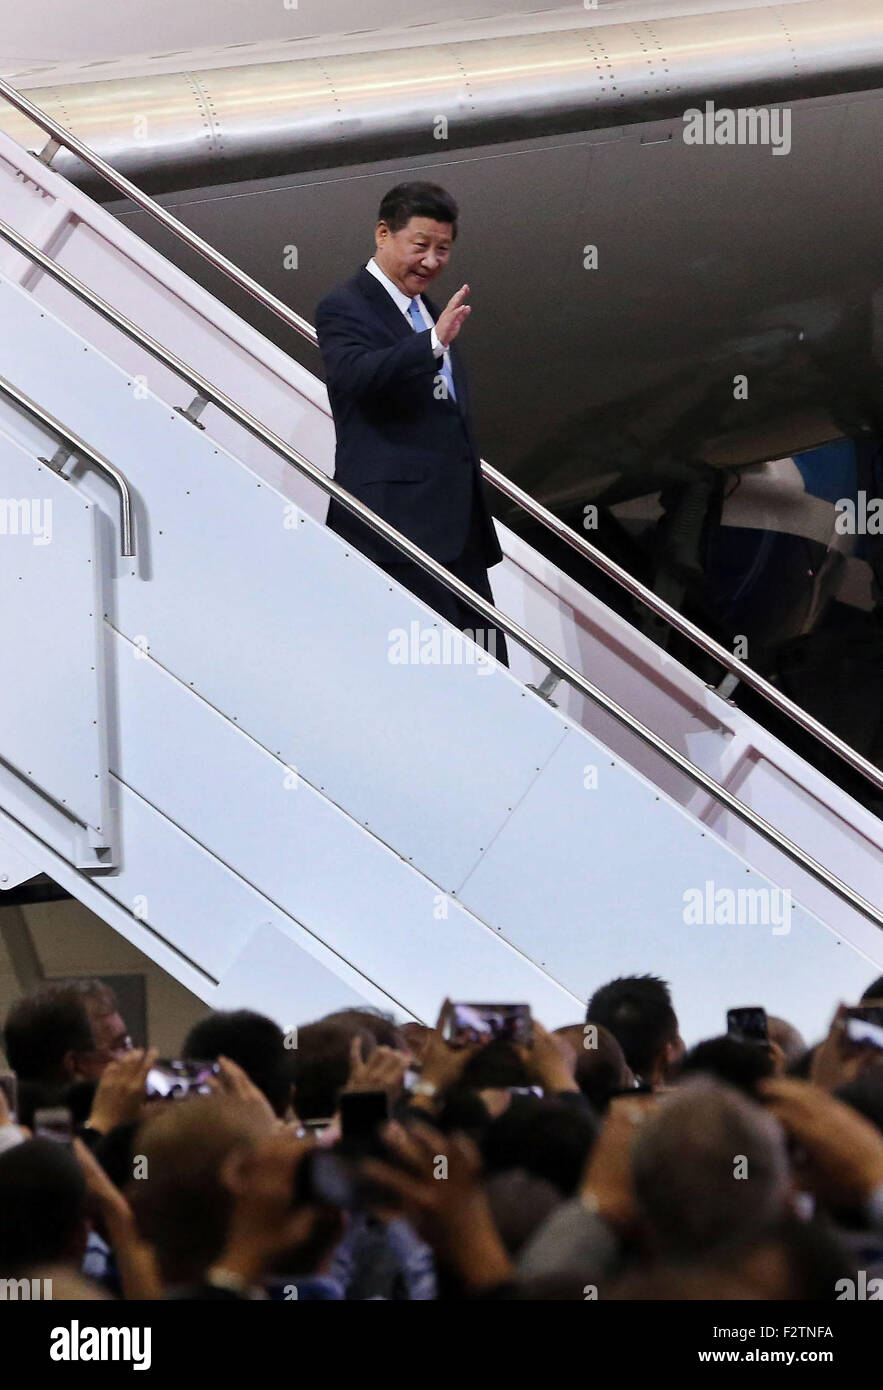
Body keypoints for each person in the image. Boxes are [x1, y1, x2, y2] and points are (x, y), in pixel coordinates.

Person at [316, 181, 508, 665]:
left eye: (443, 249)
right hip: (394, 528)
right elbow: (356, 378)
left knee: (486, 675)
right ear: (384, 234)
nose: (432, 261)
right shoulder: (345, 305)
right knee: (420, 678)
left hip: (457, 534)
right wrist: (431, 344)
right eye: (420, 246)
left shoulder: (431, 310)